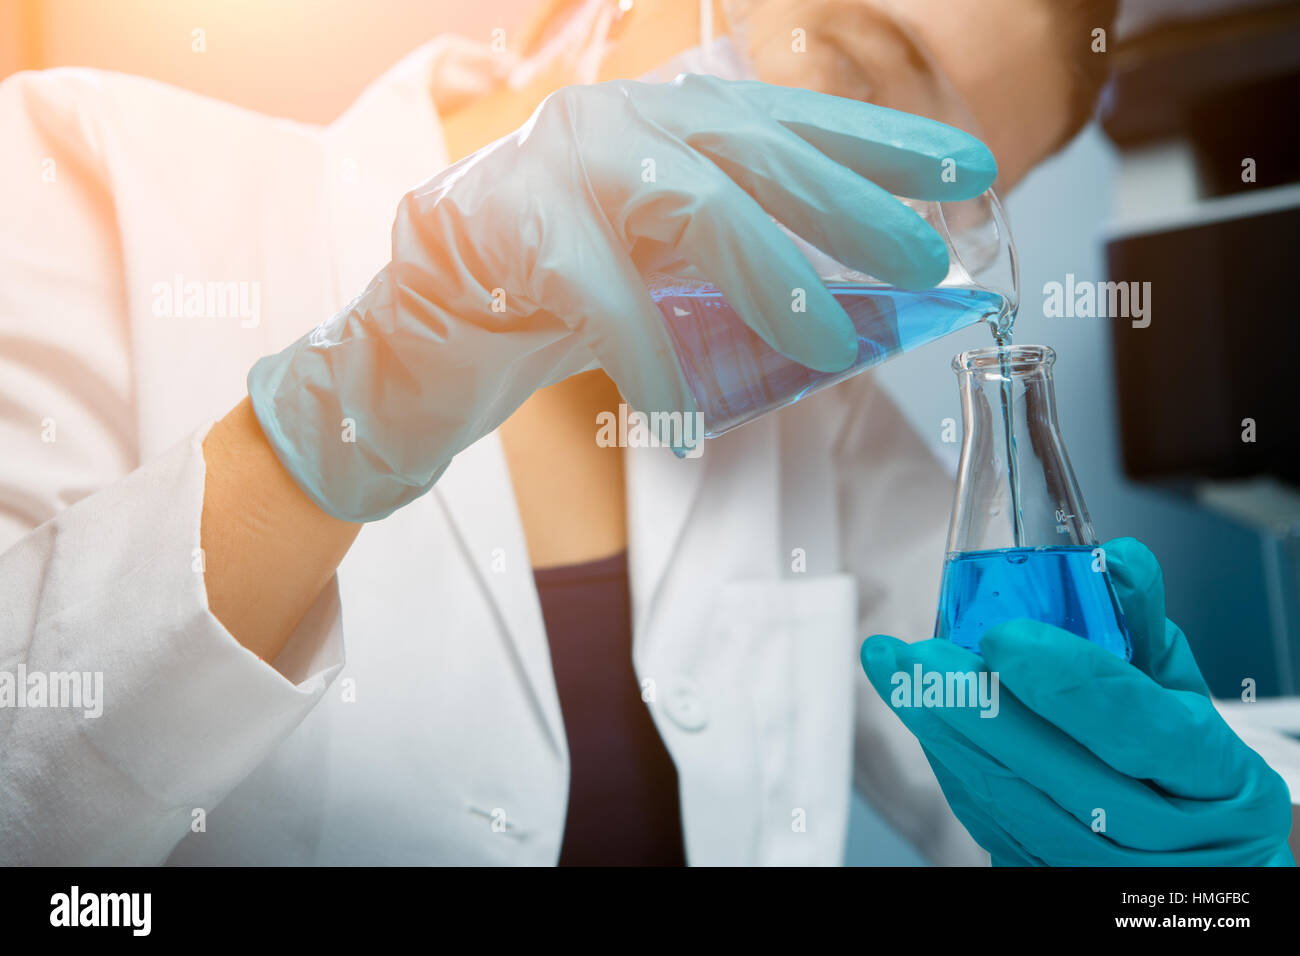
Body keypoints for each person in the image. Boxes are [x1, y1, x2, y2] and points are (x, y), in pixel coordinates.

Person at [0, 0, 1289, 866]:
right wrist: (341, 421)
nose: (861, 190)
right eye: (850, 66)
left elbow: (1050, 754)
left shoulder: (821, 431)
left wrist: (1204, 851)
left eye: (933, 179)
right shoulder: (93, 178)